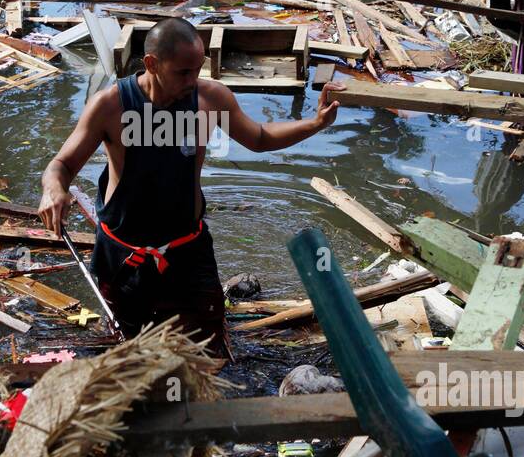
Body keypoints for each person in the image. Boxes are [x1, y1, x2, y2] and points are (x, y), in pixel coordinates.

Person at [38, 18, 343, 358]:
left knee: (209, 346)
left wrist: (316, 124)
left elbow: (258, 138)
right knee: (131, 350)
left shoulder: (210, 99)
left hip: (187, 248)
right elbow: (61, 166)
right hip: (124, 254)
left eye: (198, 70)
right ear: (152, 64)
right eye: (183, 72)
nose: (193, 80)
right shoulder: (111, 106)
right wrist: (54, 191)